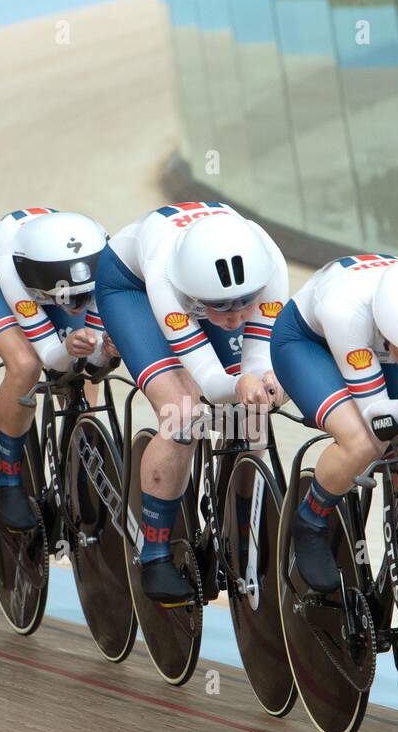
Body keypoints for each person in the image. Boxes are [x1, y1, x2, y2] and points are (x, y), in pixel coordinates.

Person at [94, 202, 289, 604]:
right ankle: (156, 552)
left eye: (244, 303)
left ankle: (237, 524)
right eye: (222, 307)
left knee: (249, 418)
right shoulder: (166, 278)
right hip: (131, 288)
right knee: (184, 412)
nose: (235, 318)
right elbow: (211, 381)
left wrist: (265, 383)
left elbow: (256, 360)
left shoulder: (270, 268)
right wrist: (241, 385)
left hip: (204, 289)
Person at [270, 255, 398, 593]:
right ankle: (310, 520)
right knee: (363, 443)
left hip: (382, 350)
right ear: (387, 332)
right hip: (310, 344)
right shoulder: (344, 310)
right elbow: (377, 421)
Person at [0, 207, 113, 530]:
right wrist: (68, 348)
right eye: (70, 300)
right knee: (26, 364)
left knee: (81, 374)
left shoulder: (102, 258)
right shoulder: (10, 267)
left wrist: (100, 351)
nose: (76, 307)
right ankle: (9, 480)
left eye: (83, 298)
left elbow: (93, 358)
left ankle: (78, 465)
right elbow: (50, 357)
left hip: (59, 276)